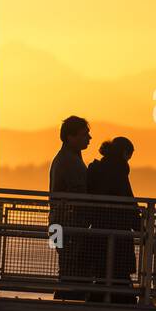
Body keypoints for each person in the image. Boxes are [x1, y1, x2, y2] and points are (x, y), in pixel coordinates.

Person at [85, 136, 139, 304]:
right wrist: (140, 225)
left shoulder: (96, 168)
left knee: (102, 275)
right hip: (118, 233)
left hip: (97, 230)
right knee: (120, 277)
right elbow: (128, 200)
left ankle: (92, 306)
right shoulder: (119, 170)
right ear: (125, 153)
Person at [49, 115, 91, 300]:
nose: (89, 138)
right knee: (73, 269)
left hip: (57, 224)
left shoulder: (64, 158)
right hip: (67, 225)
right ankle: (65, 304)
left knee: (66, 267)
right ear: (70, 137)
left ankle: (63, 302)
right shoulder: (70, 161)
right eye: (84, 135)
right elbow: (80, 192)